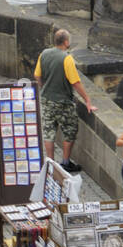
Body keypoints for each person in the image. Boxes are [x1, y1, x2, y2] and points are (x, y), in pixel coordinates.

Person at [34, 28, 96, 170]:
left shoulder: (44, 54)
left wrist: (44, 86)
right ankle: (66, 163)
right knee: (70, 130)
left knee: (49, 131)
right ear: (66, 42)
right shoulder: (66, 58)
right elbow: (75, 82)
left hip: (46, 99)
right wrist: (87, 99)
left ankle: (50, 163)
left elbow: (37, 75)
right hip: (62, 101)